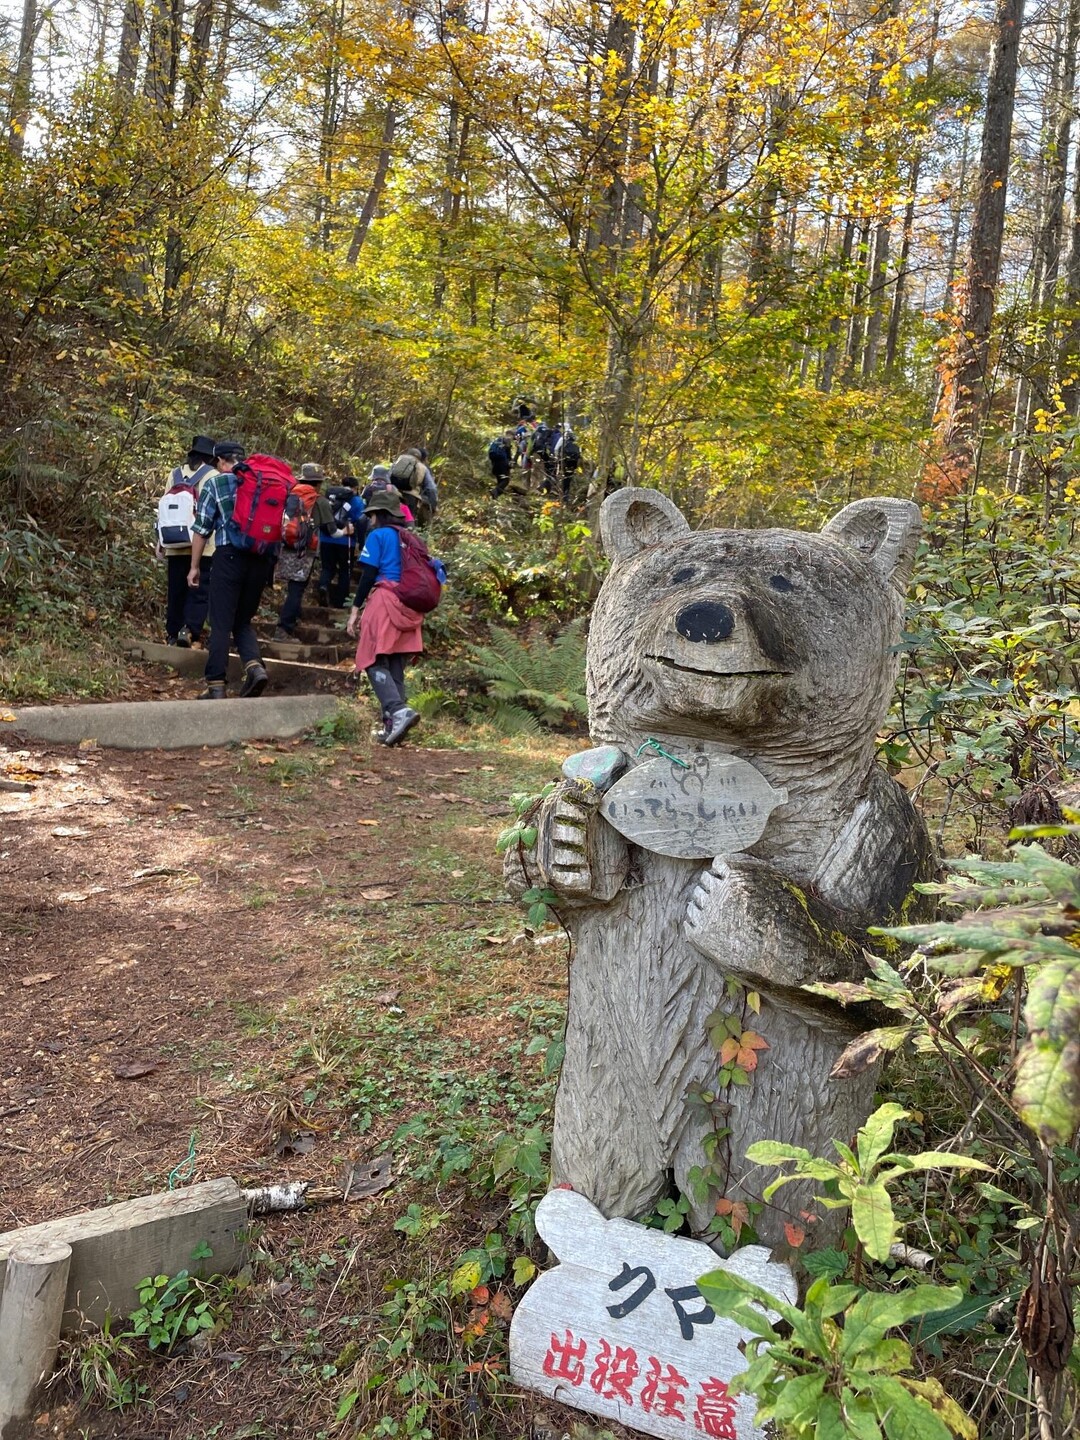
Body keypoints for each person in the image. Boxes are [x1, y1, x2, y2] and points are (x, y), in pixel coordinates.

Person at [189, 442, 276, 700]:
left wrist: (194, 567)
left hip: (228, 557)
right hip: (259, 561)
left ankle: (216, 684)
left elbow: (202, 528)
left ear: (220, 461)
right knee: (243, 619)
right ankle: (255, 667)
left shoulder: (217, 483)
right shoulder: (262, 483)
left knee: (220, 622)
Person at [346, 488, 423, 746]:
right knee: (394, 665)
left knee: (371, 660)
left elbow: (368, 575)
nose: (370, 519)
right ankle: (392, 727)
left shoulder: (378, 536)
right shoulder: (408, 538)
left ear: (379, 514)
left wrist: (356, 609)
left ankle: (398, 711)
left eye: (372, 515)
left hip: (385, 601)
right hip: (408, 605)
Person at [157, 434, 217, 647]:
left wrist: (160, 541)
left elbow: (163, 510)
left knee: (176, 590)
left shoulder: (174, 475)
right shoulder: (213, 476)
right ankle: (189, 630)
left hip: (174, 541)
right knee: (199, 591)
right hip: (203, 545)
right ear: (211, 457)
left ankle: (172, 633)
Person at [273, 472, 341, 640]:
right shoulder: (319, 501)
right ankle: (284, 629)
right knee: (297, 589)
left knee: (292, 587)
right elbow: (332, 532)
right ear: (318, 484)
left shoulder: (288, 495)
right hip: (305, 551)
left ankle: (293, 620)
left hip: (285, 546)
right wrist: (347, 531)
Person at [310, 463, 353, 608]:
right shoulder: (355, 500)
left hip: (326, 538)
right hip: (346, 541)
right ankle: (341, 602)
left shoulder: (326, 499)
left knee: (327, 567)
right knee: (344, 571)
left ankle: (323, 586)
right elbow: (361, 521)